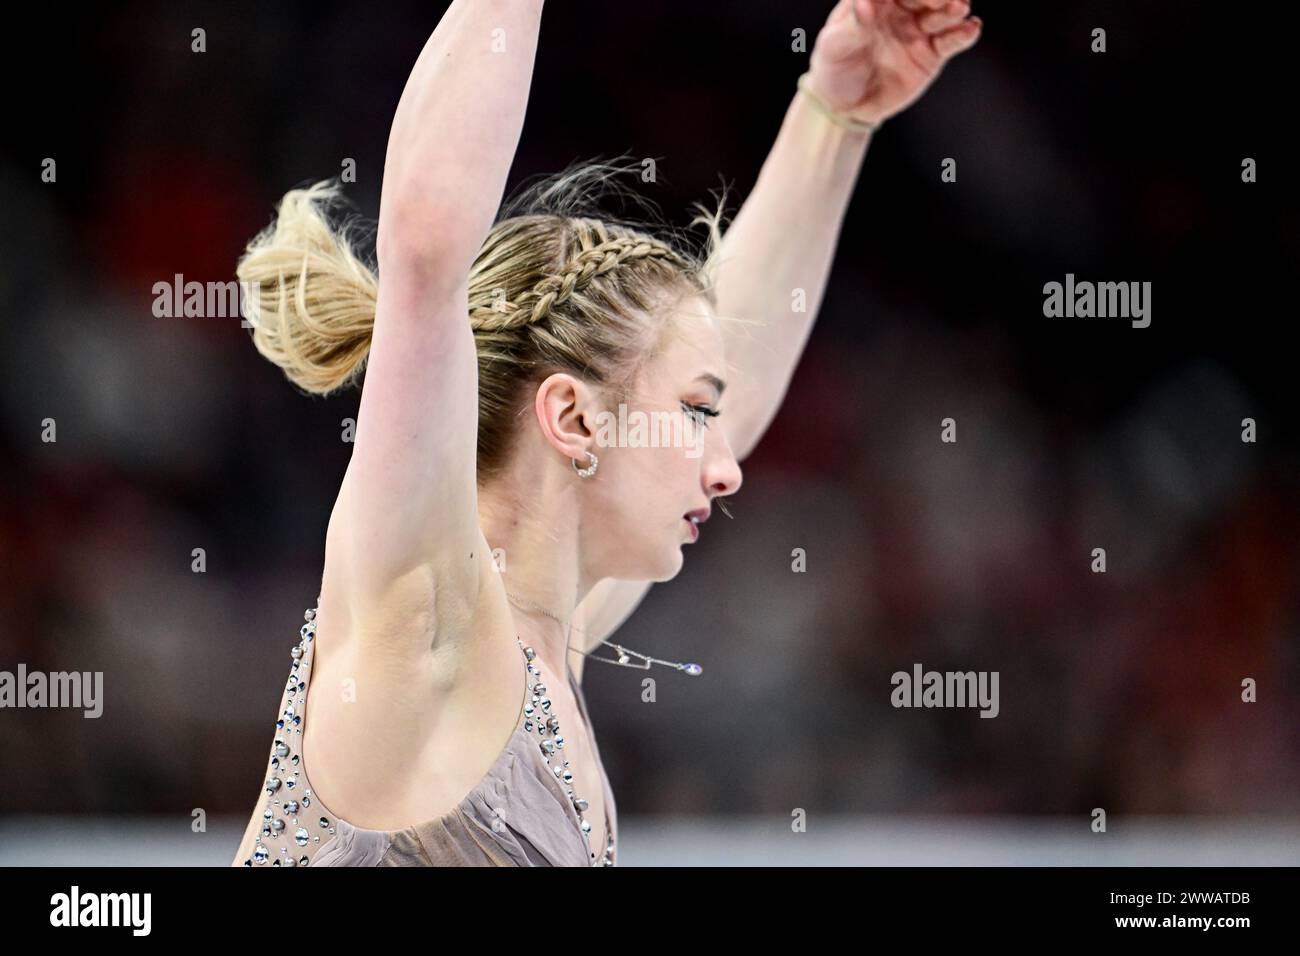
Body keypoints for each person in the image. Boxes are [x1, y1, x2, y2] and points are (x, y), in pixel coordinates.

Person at [229, 0, 981, 867]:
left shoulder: (548, 637)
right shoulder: (427, 627)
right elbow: (427, 254)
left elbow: (737, 368)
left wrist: (835, 115)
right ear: (574, 418)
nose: (729, 467)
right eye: (695, 414)